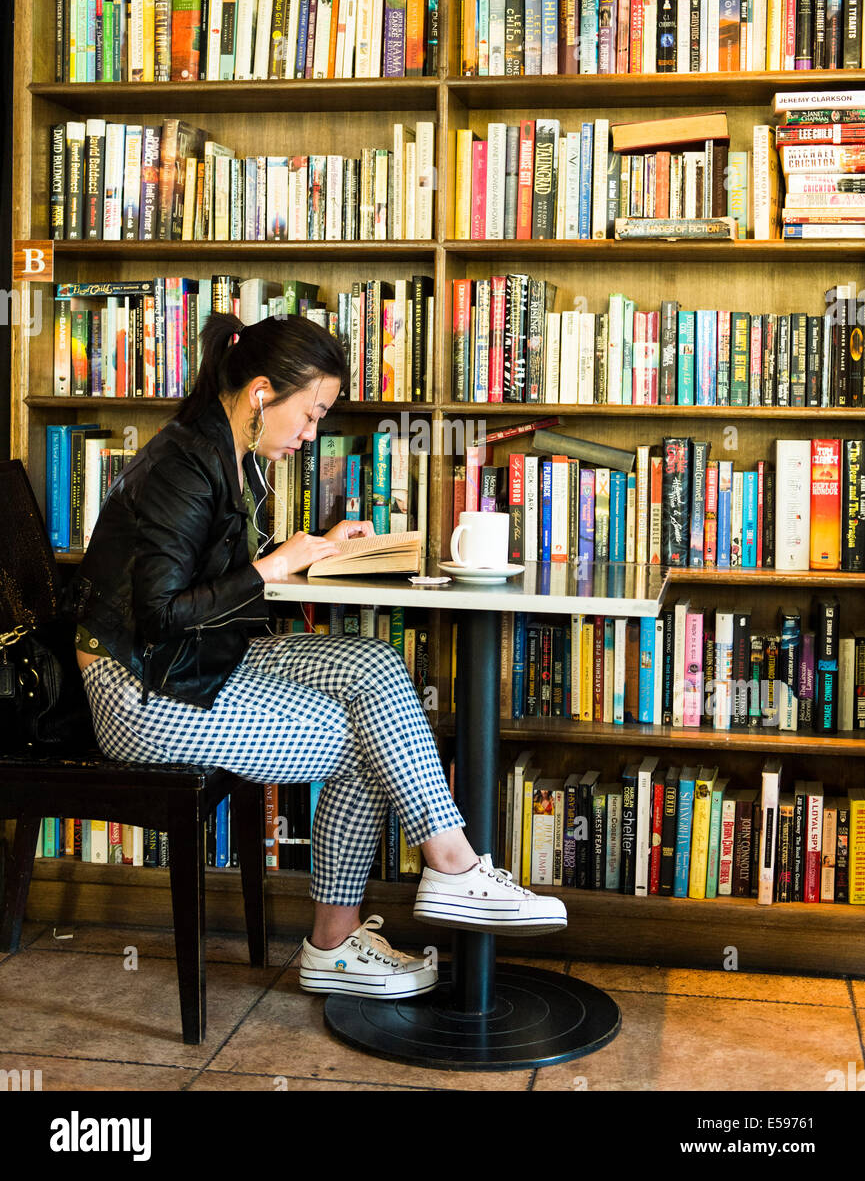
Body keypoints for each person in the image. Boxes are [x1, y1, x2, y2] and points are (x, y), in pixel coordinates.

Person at [71, 311, 567, 1000]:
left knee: (375, 665)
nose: (310, 433)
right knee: (372, 738)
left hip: (197, 663)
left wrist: (321, 552)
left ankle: (432, 880)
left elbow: (202, 592)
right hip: (141, 693)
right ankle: (377, 917)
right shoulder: (182, 466)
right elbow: (160, 615)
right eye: (310, 414)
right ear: (261, 393)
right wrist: (275, 565)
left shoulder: (227, 451)